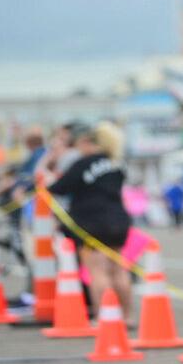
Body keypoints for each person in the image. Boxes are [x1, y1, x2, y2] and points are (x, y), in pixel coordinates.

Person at [43, 122, 134, 319]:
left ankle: (105, 317)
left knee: (98, 272)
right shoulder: (116, 163)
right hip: (118, 220)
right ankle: (126, 317)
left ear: (87, 142)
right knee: (119, 270)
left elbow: (59, 187)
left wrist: (47, 175)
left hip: (92, 222)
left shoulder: (84, 163)